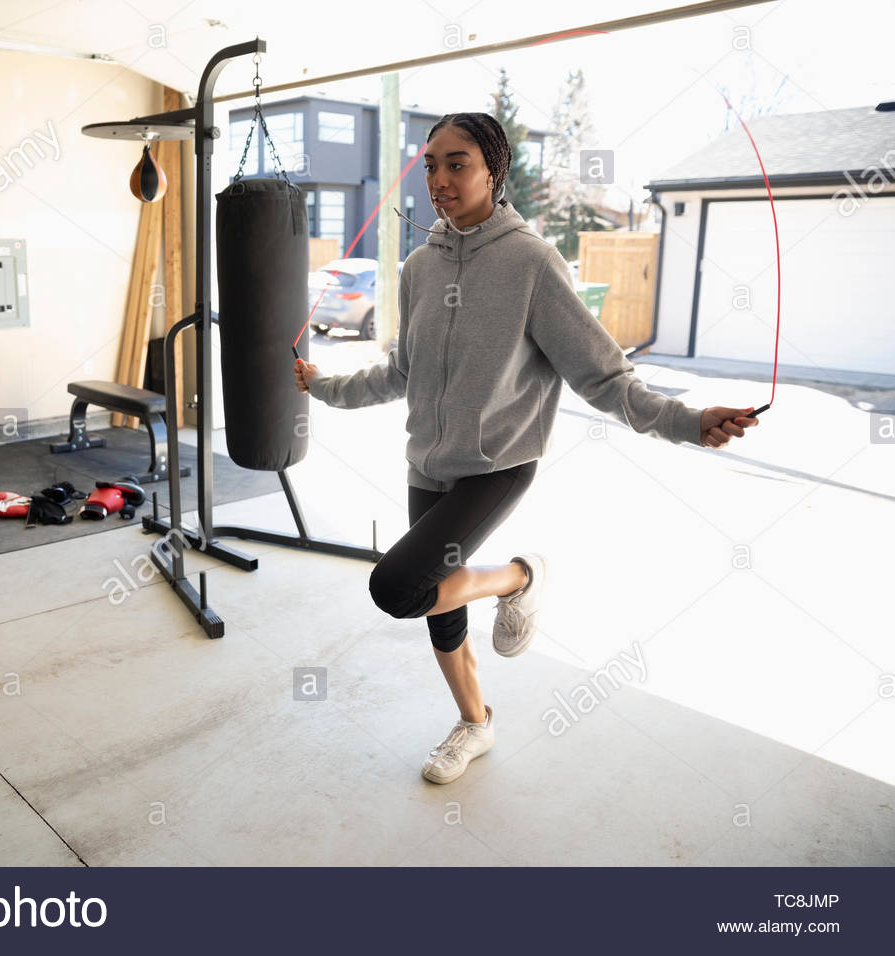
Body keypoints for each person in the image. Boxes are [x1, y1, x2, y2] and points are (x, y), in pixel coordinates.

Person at [293, 112, 759, 785]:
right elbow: (400, 373)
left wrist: (688, 421)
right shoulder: (419, 266)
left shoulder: (533, 263)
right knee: (440, 611)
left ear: (493, 170)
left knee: (398, 587)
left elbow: (603, 376)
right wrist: (324, 387)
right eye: (431, 164)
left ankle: (520, 576)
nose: (440, 179)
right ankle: (475, 722)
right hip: (427, 460)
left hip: (496, 466)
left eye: (457, 163)